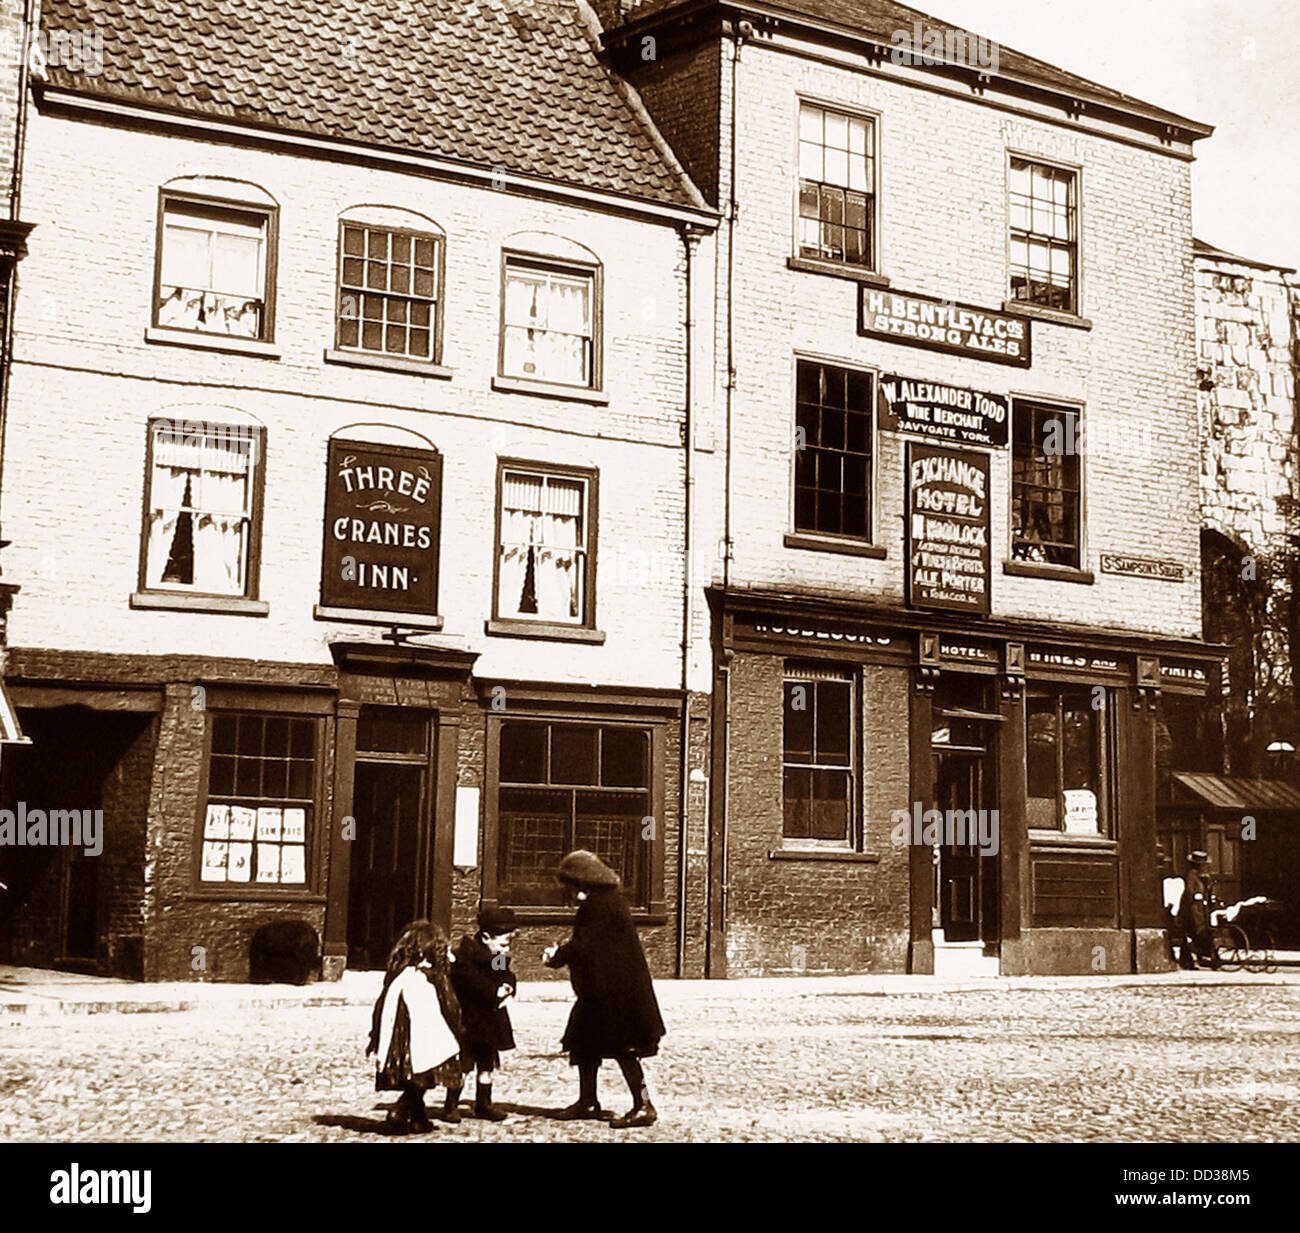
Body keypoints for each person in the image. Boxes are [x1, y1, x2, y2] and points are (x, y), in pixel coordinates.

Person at [542, 849, 665, 1128]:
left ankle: (644, 1104)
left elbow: (583, 945)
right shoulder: (608, 901)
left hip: (615, 995)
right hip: (600, 993)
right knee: (585, 1045)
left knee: (625, 1050)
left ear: (582, 884)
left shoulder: (599, 906)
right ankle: (587, 1101)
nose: (571, 894)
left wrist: (556, 957)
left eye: (571, 887)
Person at [366, 920, 467, 1133]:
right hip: (427, 1035)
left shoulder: (398, 977)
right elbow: (450, 1005)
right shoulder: (433, 977)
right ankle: (405, 1109)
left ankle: (419, 1118)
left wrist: (375, 1035)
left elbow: (381, 1007)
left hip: (400, 1036)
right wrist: (457, 1028)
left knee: (418, 1076)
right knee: (426, 1075)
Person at [450, 904, 519, 1122]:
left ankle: (484, 1103)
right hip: (471, 1020)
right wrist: (493, 991)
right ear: (487, 937)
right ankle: (450, 1104)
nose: (504, 949)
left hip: (491, 1019)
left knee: (487, 1064)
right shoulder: (465, 956)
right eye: (502, 943)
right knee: (465, 1064)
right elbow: (469, 981)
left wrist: (508, 985)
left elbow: (504, 973)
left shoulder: (496, 955)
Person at [1177, 851, 1217, 970]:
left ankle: (1195, 959)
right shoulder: (1191, 875)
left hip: (1200, 909)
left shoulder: (1203, 877)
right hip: (1193, 909)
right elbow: (1190, 892)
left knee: (1198, 932)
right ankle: (1192, 960)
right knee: (1196, 932)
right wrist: (1197, 896)